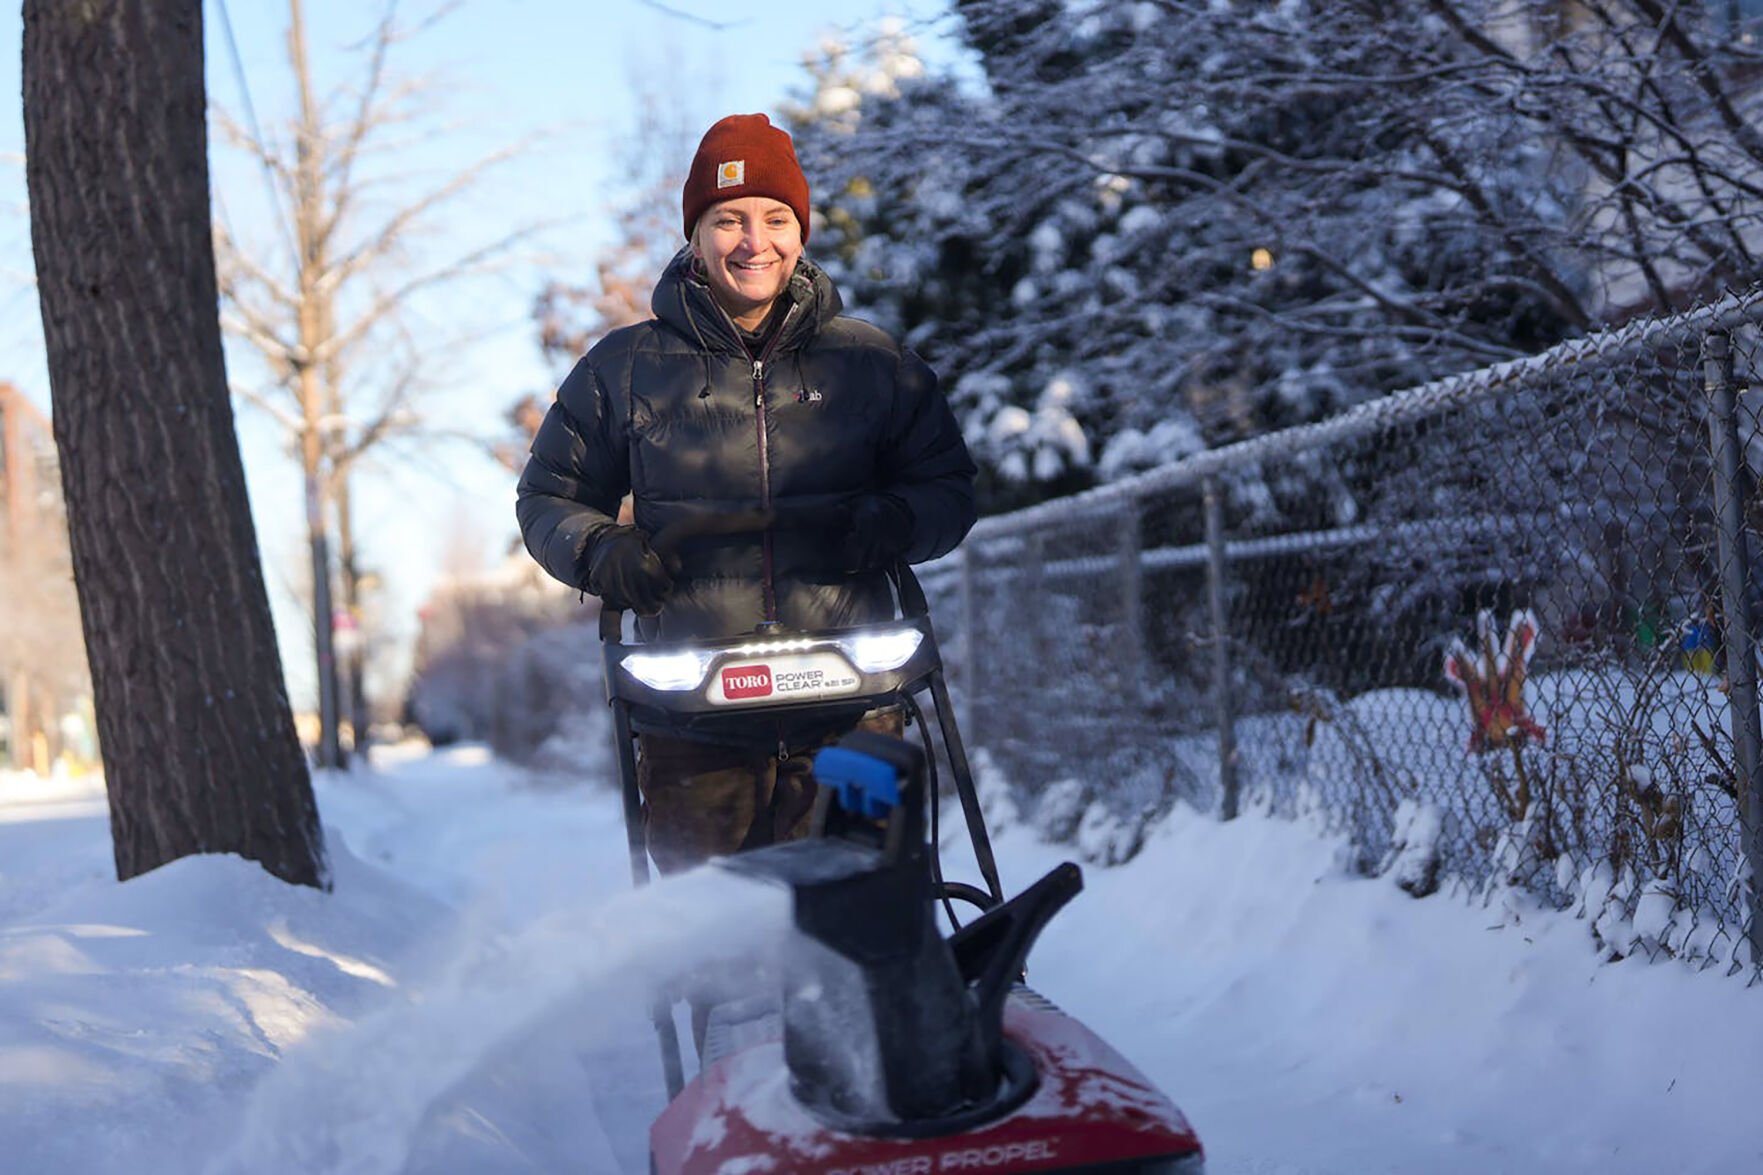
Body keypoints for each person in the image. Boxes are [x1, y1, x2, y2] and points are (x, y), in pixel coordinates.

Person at [517, 112, 977, 876]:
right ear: (694, 235)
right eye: (727, 219)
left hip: (853, 705)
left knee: (861, 912)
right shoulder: (624, 368)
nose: (752, 240)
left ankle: (883, 991)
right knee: (719, 945)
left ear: (800, 232)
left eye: (773, 218)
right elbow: (547, 498)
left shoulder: (872, 362)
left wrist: (887, 522)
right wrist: (602, 551)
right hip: (692, 721)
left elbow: (946, 488)